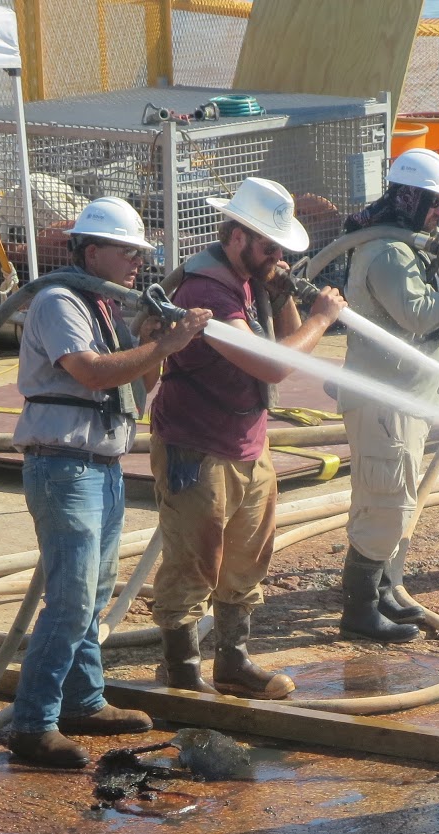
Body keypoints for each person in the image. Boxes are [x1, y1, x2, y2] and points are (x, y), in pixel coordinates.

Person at [7, 197, 211, 769]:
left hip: (101, 465)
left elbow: (138, 391)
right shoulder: (58, 301)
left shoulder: (105, 308)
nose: (137, 264)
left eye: (140, 253)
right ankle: (32, 724)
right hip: (63, 465)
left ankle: (83, 701)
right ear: (91, 250)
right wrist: (163, 343)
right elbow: (91, 372)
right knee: (70, 600)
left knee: (93, 596)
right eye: (127, 252)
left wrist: (150, 343)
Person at [148, 176, 345, 699]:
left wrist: (283, 295)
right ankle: (181, 671)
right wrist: (324, 318)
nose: (277, 256)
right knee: (194, 560)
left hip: (247, 443)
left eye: (280, 247)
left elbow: (284, 338)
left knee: (247, 557)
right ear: (236, 237)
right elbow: (275, 364)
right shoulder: (204, 290)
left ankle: (232, 660)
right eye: (268, 246)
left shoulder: (249, 278)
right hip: (197, 447)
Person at [333, 147, 439, 642]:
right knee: (388, 502)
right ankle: (359, 610)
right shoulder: (386, 253)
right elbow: (420, 315)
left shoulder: (403, 239)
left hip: (402, 399)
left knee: (386, 496)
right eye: (436, 203)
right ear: (413, 199)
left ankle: (377, 590)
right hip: (386, 402)